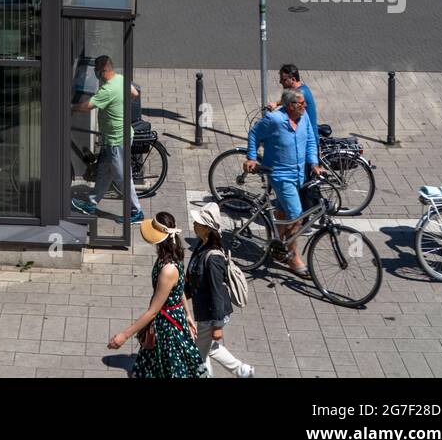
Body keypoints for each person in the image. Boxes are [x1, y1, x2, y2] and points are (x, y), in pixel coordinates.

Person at [108, 213, 208, 378]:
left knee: (171, 368)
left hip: (167, 327)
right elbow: (180, 288)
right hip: (174, 319)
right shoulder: (174, 256)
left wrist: (124, 335)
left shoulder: (167, 269)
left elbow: (153, 311)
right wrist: (188, 314)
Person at [245, 88, 322, 276]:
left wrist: (313, 163)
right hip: (280, 175)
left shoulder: (303, 119)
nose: (305, 106)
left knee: (282, 211)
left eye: (305, 103)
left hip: (298, 175)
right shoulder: (274, 120)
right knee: (297, 216)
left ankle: (277, 244)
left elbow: (311, 141)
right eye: (301, 104)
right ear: (290, 106)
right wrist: (252, 157)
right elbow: (254, 134)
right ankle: (293, 258)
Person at [71, 55, 144, 223]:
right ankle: (91, 203)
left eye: (96, 71)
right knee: (104, 172)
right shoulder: (121, 79)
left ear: (103, 70)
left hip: (116, 141)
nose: (95, 74)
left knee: (122, 178)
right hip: (121, 136)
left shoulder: (108, 90)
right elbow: (134, 93)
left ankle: (136, 212)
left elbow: (87, 106)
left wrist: (71, 107)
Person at [187, 202, 254, 378]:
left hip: (211, 315)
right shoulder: (202, 245)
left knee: (198, 355)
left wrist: (217, 326)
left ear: (208, 228)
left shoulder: (213, 258)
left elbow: (217, 292)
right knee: (210, 348)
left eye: (198, 223)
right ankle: (243, 371)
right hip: (206, 312)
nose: (194, 224)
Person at [268, 64, 319, 143]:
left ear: (293, 79)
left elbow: (285, 112)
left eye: (284, 79)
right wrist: (276, 104)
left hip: (307, 139)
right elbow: (287, 99)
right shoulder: (300, 89)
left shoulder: (301, 93)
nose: (280, 82)